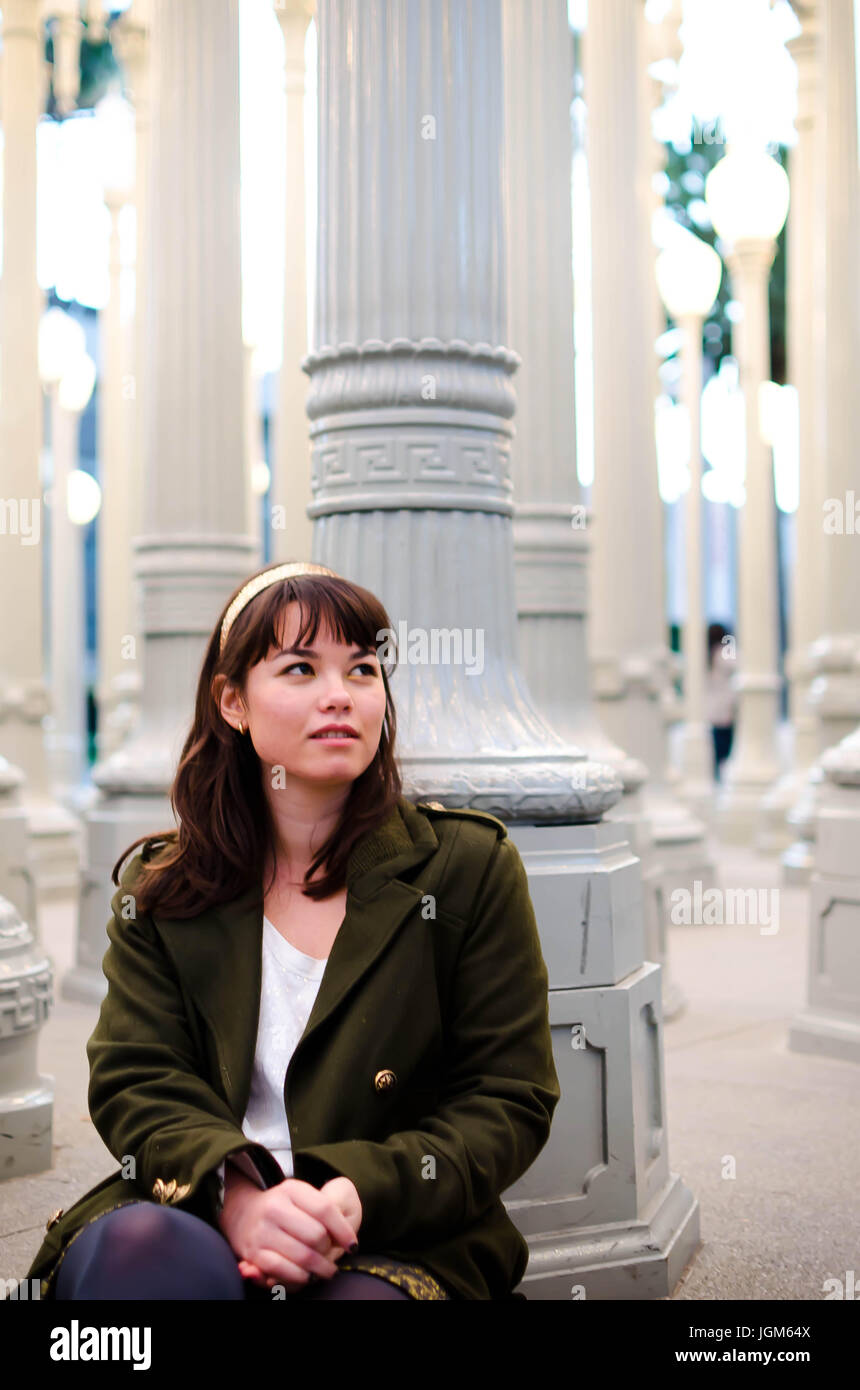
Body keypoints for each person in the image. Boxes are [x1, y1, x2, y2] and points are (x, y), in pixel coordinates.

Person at [21, 561, 560, 1302]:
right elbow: (136, 1080)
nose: (339, 696)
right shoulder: (164, 887)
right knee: (141, 1259)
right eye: (301, 668)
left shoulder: (465, 869)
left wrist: (353, 1195)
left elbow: (506, 1096)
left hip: (390, 1229)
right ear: (234, 701)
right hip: (201, 1205)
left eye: (362, 669)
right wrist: (239, 1200)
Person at [706, 621, 738, 782]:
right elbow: (737, 665)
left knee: (716, 744)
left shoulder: (705, 655)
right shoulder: (723, 653)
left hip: (711, 707)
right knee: (725, 744)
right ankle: (721, 774)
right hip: (725, 707)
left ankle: (716, 774)